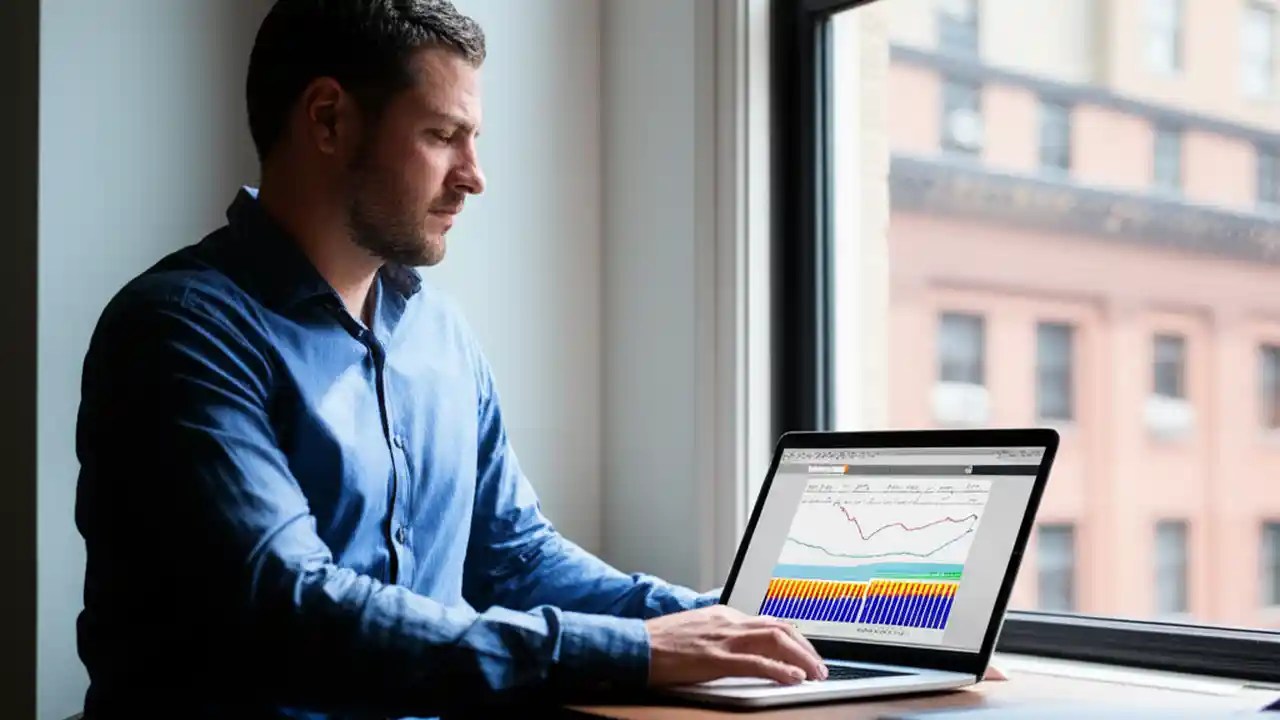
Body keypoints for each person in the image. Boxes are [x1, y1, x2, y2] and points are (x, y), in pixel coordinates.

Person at [74, 1, 826, 717]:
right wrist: (638, 650)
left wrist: (724, 621)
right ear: (328, 119)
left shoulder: (440, 335)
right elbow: (292, 608)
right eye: (442, 135)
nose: (474, 174)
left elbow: (514, 560)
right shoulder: (180, 331)